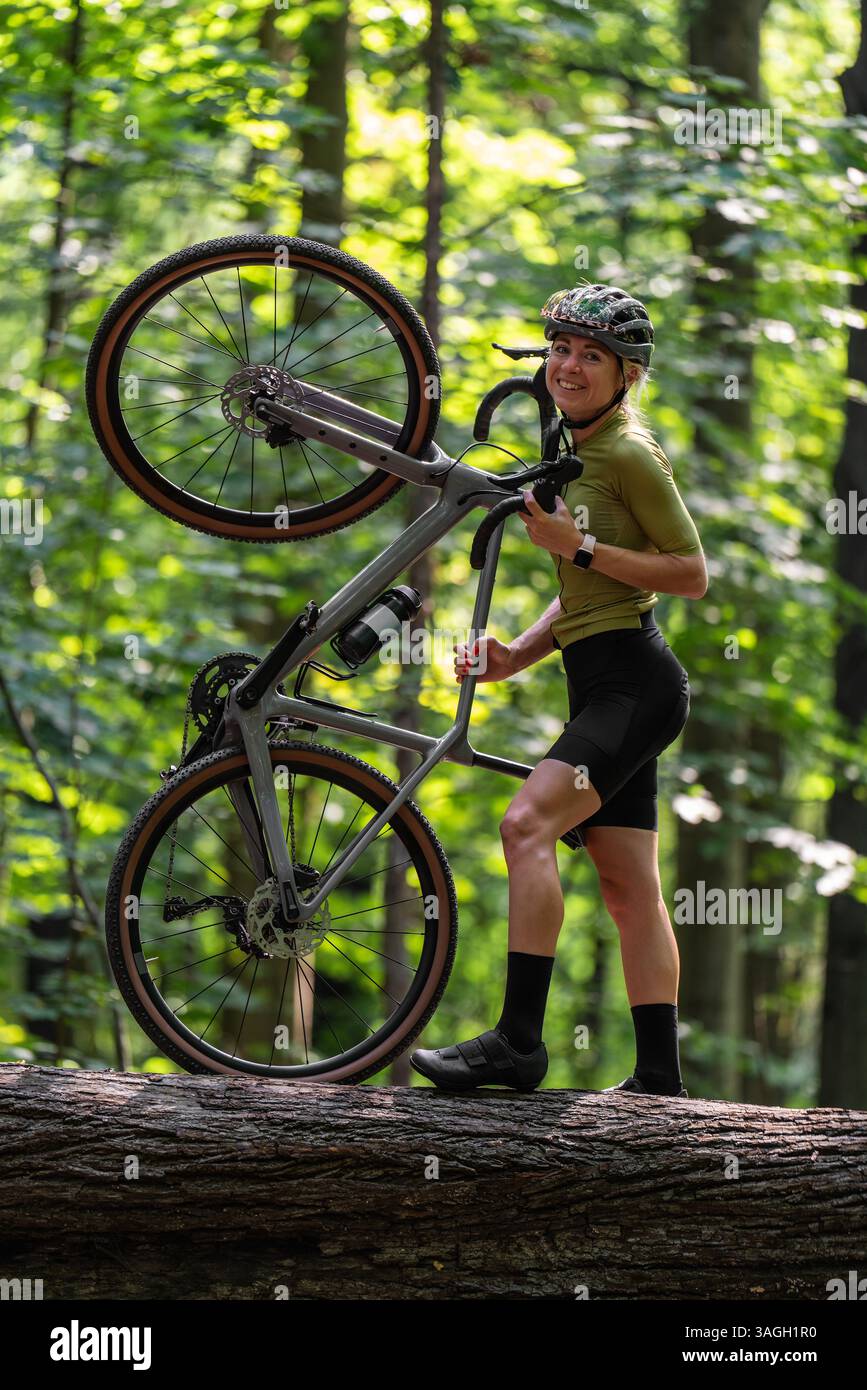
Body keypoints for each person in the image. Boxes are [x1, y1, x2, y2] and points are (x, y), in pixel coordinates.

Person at [409, 283, 707, 1097]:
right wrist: (516, 656)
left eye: (591, 357)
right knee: (627, 888)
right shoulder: (571, 443)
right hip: (600, 681)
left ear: (625, 375)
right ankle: (658, 1080)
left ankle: (517, 1042)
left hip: (634, 688)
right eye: (560, 350)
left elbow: (689, 574)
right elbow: (585, 592)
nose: (568, 367)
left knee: (524, 824)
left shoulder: (627, 454)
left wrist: (576, 551)